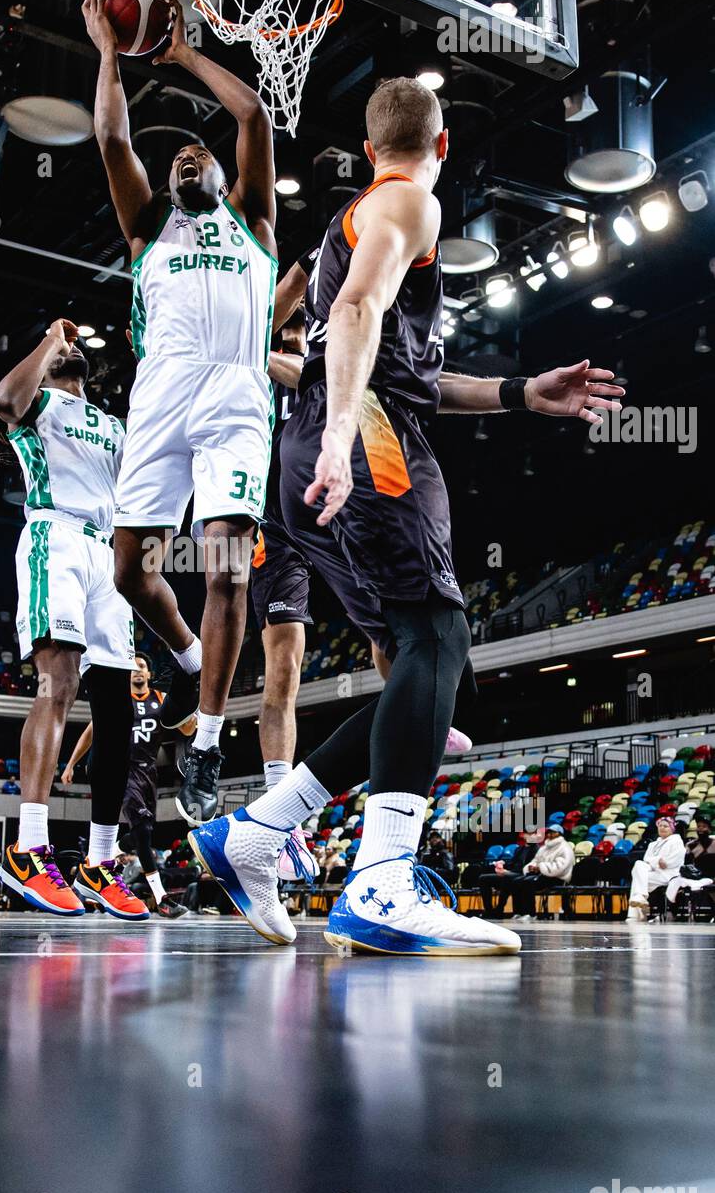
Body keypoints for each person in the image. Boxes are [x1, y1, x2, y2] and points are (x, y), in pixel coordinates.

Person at [190, 76, 622, 952]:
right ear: (443, 144)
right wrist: (349, 438)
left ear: (366, 138)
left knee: (414, 670)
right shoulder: (408, 203)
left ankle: (254, 834)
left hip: (318, 440)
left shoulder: (349, 222)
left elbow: (407, 374)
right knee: (437, 642)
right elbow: (355, 314)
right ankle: (381, 882)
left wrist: (515, 393)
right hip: (364, 441)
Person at [82, 0, 278, 825]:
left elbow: (255, 117)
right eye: (177, 158)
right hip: (160, 390)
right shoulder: (146, 228)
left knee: (227, 564)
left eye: (199, 154)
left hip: (235, 389)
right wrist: (106, 51)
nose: (187, 158)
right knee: (130, 571)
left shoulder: (257, 226)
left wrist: (183, 55)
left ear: (226, 179)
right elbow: (109, 136)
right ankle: (193, 657)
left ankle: (204, 739)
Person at [0, 318, 147, 921]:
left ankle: (101, 860)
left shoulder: (113, 424)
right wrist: (48, 339)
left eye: (74, 348)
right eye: (62, 350)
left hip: (111, 553)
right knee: (59, 684)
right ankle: (28, 848)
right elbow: (5, 401)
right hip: (59, 536)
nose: (71, 349)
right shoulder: (37, 402)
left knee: (116, 707)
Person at [62, 652, 196, 917]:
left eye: (142, 666)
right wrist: (70, 764)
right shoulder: (119, 700)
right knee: (143, 832)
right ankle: (162, 898)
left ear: (149, 674)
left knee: (139, 834)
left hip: (149, 773)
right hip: (122, 768)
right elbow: (91, 732)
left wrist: (192, 716)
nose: (136, 670)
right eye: (132, 667)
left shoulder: (160, 699)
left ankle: (98, 860)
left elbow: (187, 730)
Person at [509, 826, 574, 920]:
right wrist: (531, 867)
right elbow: (536, 860)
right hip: (543, 875)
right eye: (548, 833)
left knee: (528, 882)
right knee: (516, 881)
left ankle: (531, 914)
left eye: (552, 832)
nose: (549, 835)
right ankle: (519, 912)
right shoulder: (545, 847)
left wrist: (540, 867)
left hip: (557, 877)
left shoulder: (564, 848)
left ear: (559, 834)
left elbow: (561, 867)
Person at [628, 815, 685, 921]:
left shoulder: (676, 841)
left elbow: (671, 863)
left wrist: (656, 862)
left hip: (669, 874)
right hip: (655, 872)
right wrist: (658, 860)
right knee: (639, 864)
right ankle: (641, 898)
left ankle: (635, 914)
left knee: (638, 879)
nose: (662, 828)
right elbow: (646, 859)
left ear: (672, 829)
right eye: (660, 825)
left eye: (666, 826)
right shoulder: (653, 844)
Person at [477, 834, 539, 918]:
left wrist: (506, 872)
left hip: (523, 874)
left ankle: (499, 909)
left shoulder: (537, 850)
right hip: (511, 873)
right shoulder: (519, 849)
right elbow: (512, 864)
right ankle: (489, 910)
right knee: (483, 878)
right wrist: (502, 864)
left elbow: (530, 867)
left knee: (507, 878)